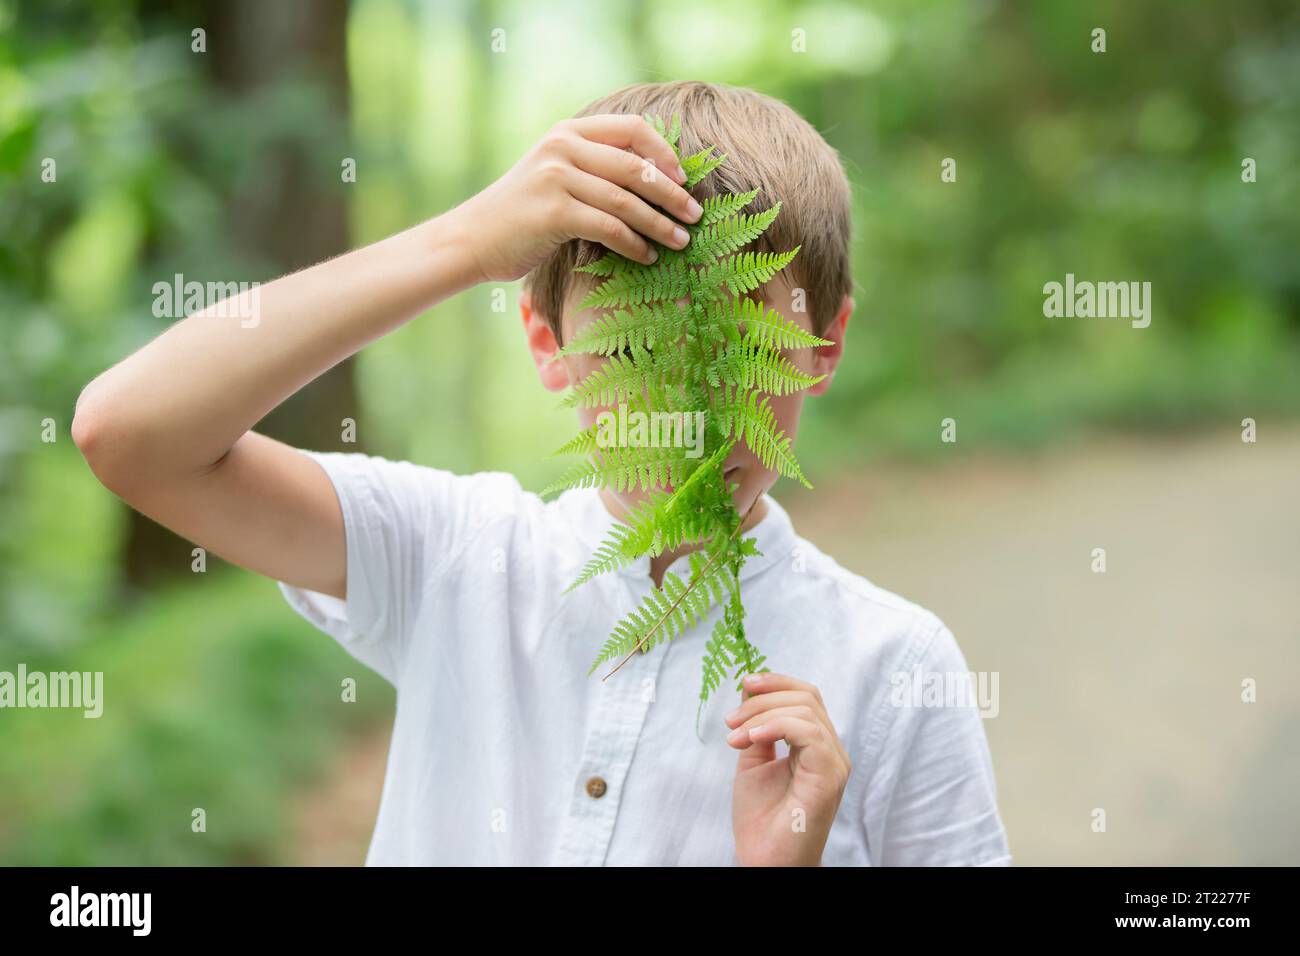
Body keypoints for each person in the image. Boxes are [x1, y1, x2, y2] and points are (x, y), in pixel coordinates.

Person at [74, 80, 1010, 866]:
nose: (687, 407)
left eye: (736, 342)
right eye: (638, 348)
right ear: (548, 344)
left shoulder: (893, 668)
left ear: (820, 343)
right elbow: (130, 435)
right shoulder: (454, 555)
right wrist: (463, 244)